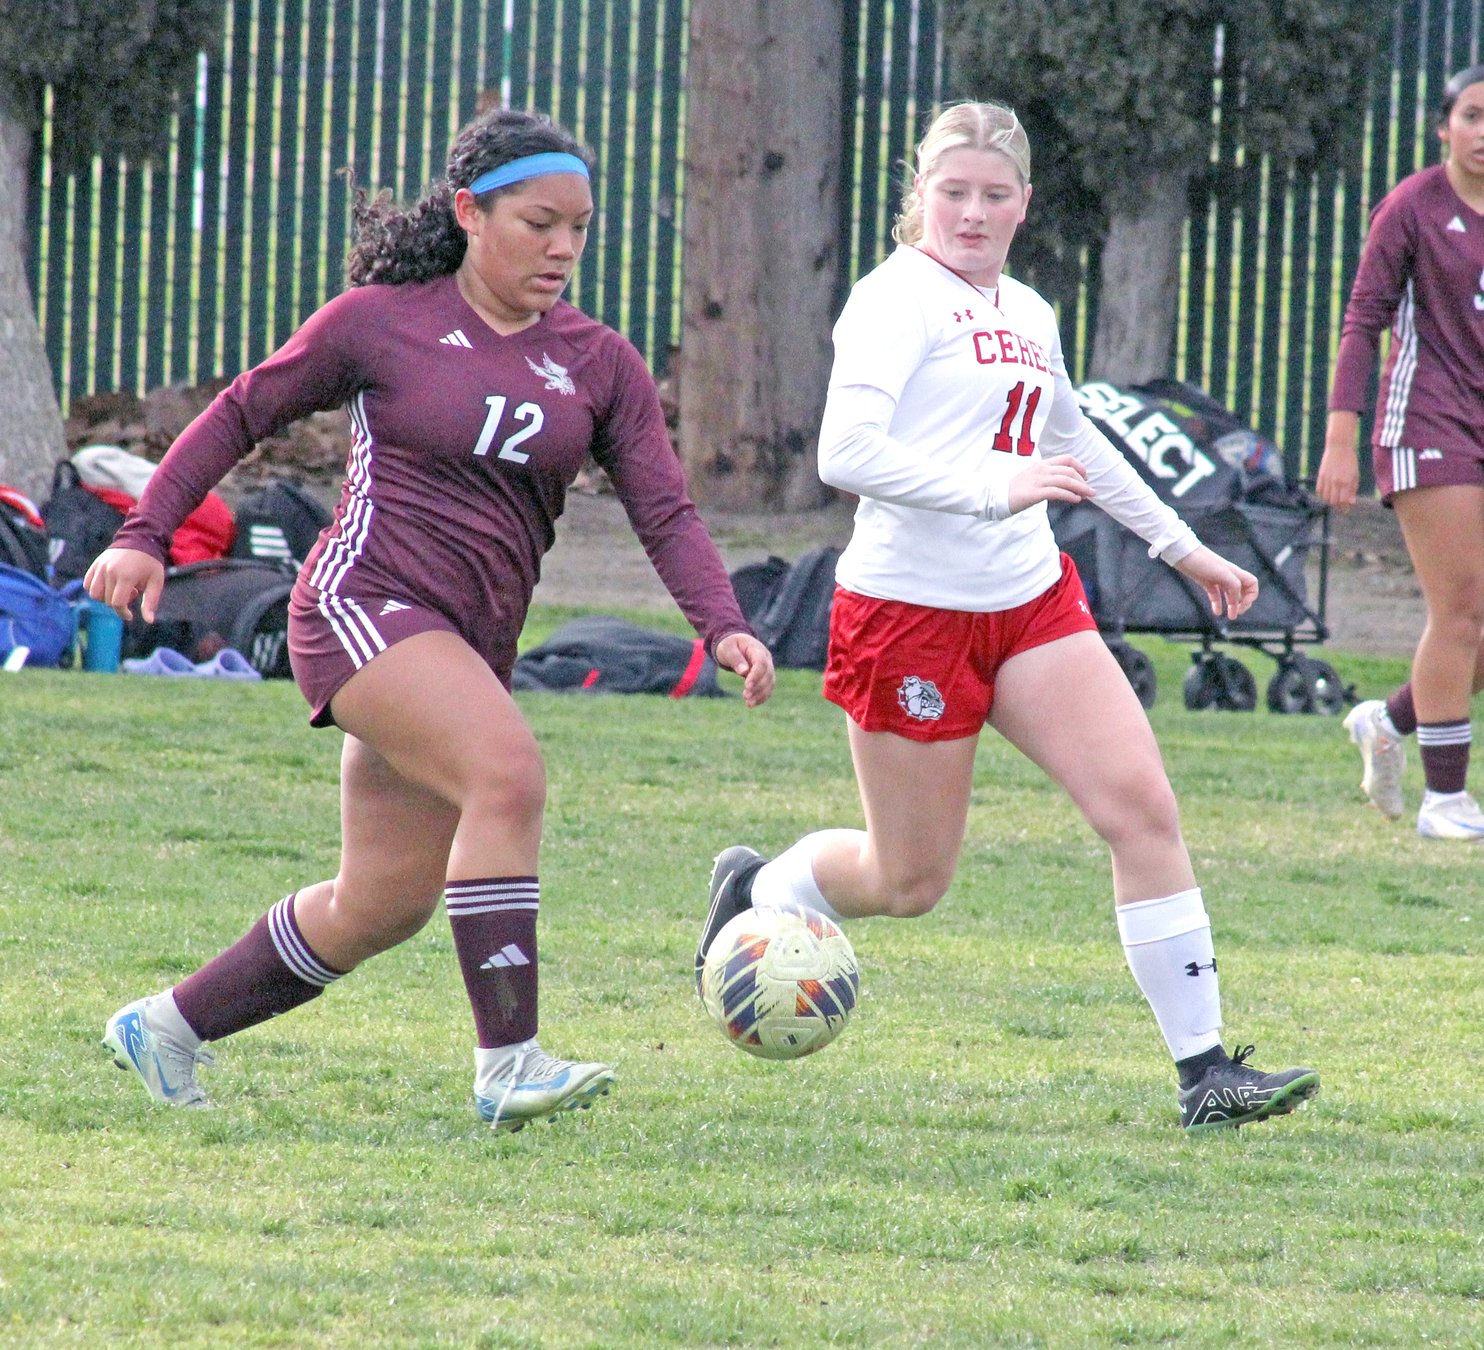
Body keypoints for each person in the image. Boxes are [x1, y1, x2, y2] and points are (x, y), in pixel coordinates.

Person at [91, 107, 775, 1131]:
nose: (563, 248)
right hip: (359, 609)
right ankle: (509, 1064)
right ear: (469, 212)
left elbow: (662, 507)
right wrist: (146, 533)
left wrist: (719, 621)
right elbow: (243, 410)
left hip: (459, 649)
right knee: (509, 773)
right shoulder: (382, 319)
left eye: (579, 228)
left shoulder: (599, 363)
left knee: (380, 904)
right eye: (539, 222)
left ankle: (166, 1027)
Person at [696, 101, 1320, 1133]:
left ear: (1023, 204)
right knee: (907, 880)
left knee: (1141, 808)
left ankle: (1205, 1073)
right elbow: (842, 455)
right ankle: (760, 882)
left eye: (993, 196)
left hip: (1030, 602)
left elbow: (1075, 439)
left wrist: (1181, 547)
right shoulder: (893, 300)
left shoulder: (1028, 310)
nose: (972, 214)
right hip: (906, 617)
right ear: (920, 198)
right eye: (952, 194)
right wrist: (990, 487)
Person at [1318, 64, 1484, 842]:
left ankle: (1388, 721)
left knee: (1475, 626)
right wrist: (1341, 439)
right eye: (1473, 116)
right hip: (1428, 422)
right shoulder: (1414, 207)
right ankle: (1444, 802)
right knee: (1461, 611)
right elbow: (1363, 320)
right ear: (1443, 126)